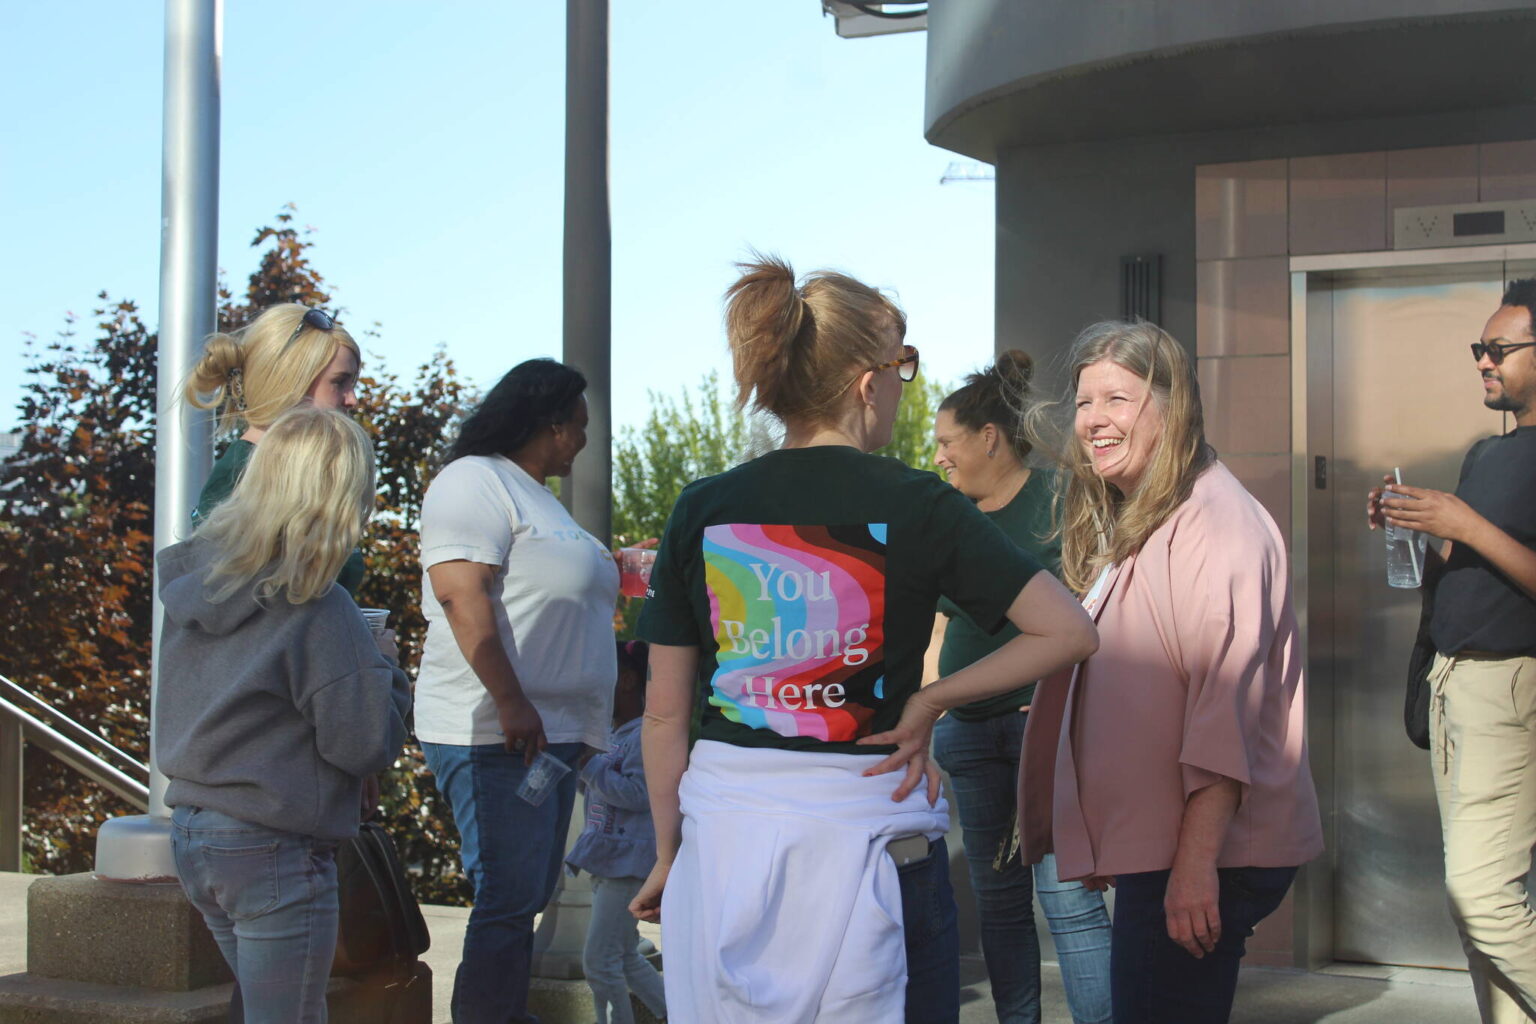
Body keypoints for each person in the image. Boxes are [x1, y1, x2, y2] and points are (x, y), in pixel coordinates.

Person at [630, 255, 1099, 1024]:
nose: (900, 386)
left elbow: (663, 714)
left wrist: (667, 852)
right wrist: (930, 702)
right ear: (865, 379)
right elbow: (1070, 631)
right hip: (878, 848)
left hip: (722, 849)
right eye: (901, 365)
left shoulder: (703, 507)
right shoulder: (919, 503)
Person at [1017, 319, 1324, 1024]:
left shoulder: (1216, 527)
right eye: (1086, 400)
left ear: (1172, 405)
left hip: (1203, 855)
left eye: (1118, 399)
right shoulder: (1157, 514)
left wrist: (1192, 870)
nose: (1094, 420)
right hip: (1166, 847)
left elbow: (1224, 716)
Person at [158, 406, 412, 1024]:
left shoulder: (200, 587)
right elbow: (364, 745)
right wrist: (387, 668)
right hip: (273, 843)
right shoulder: (320, 608)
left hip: (195, 834)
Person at [415, 358, 621, 1024]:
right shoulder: (473, 481)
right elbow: (459, 591)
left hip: (552, 731)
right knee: (507, 895)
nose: (585, 440)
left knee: (527, 891)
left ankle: (502, 1012)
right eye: (579, 426)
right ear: (549, 421)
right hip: (496, 730)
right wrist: (510, 700)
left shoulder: (537, 494)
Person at [1368, 279, 1536, 1024]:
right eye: (1480, 348)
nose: (1483, 362)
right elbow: (1463, 571)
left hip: (1510, 690)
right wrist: (1420, 527)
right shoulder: (1486, 455)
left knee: (1484, 895)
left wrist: (1463, 523)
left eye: (1498, 349)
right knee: (1471, 912)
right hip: (1452, 686)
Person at [931, 351, 1112, 1024]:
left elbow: (1098, 608)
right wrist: (930, 720)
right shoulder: (952, 518)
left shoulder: (1061, 498)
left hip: (1046, 726)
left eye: (948, 442)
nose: (941, 457)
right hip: (968, 733)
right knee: (998, 903)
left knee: (1069, 897)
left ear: (988, 437)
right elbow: (933, 633)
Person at [183, 303, 367, 594]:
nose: (353, 399)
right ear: (290, 382)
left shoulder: (294, 471)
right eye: (340, 382)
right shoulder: (238, 475)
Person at [566, 639, 668, 1024]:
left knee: (599, 962)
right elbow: (602, 790)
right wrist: (582, 769)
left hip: (628, 863)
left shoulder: (643, 736)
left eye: (599, 679)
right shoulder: (615, 733)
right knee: (623, 956)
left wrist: (590, 767)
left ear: (625, 681)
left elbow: (641, 794)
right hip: (610, 859)